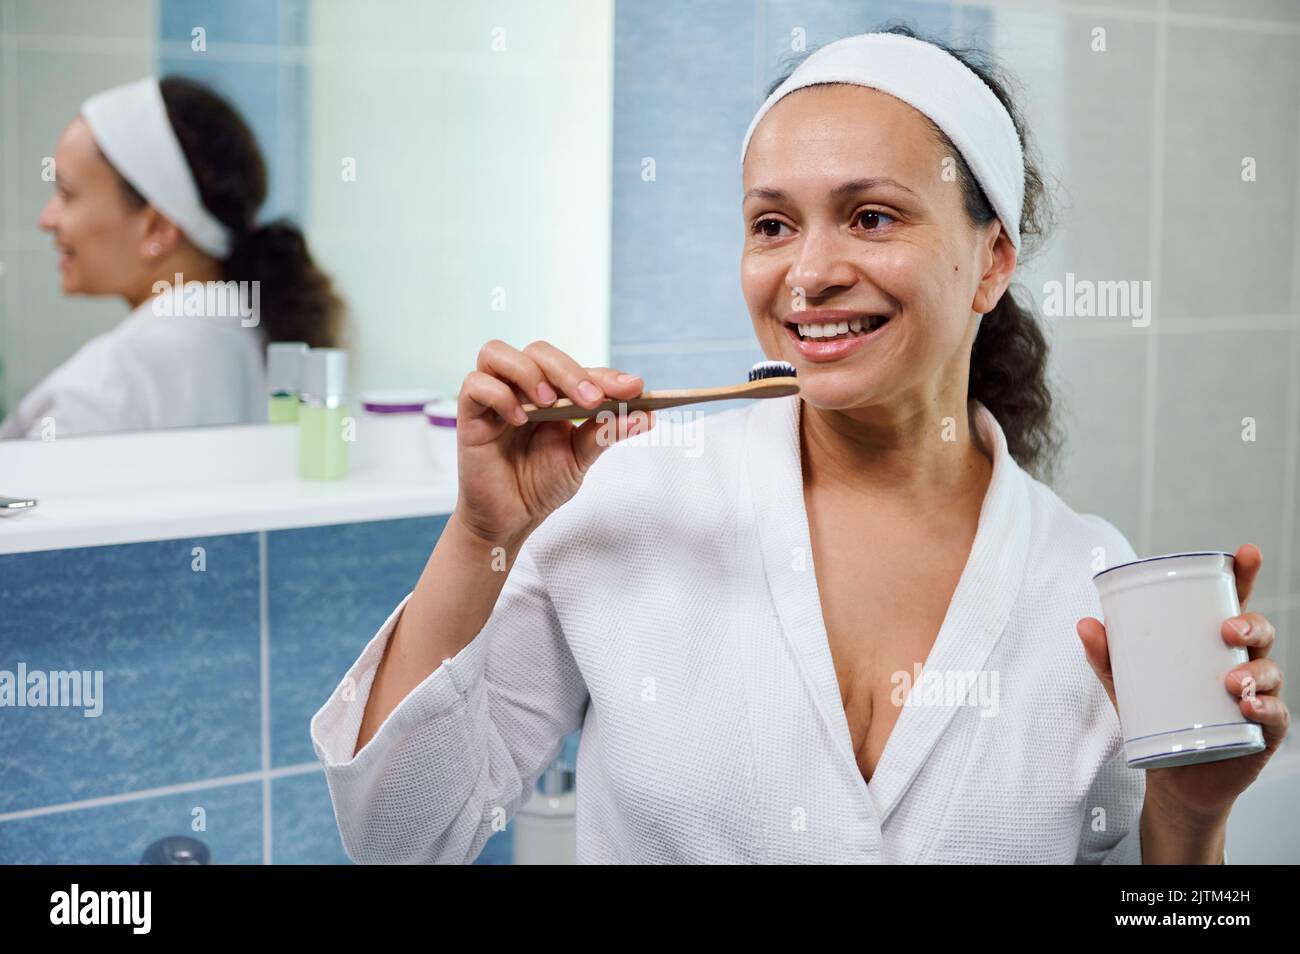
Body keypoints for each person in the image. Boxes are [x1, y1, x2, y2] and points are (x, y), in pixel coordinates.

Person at [309, 27, 1289, 864]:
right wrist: (483, 531)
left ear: (991, 259)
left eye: (870, 216)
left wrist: (1190, 815)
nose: (809, 273)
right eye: (771, 224)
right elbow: (403, 840)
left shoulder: (1089, 580)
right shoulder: (631, 501)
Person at [0, 76, 343, 439]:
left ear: (158, 230)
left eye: (67, 194)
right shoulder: (263, 337)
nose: (46, 219)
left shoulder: (102, 390)